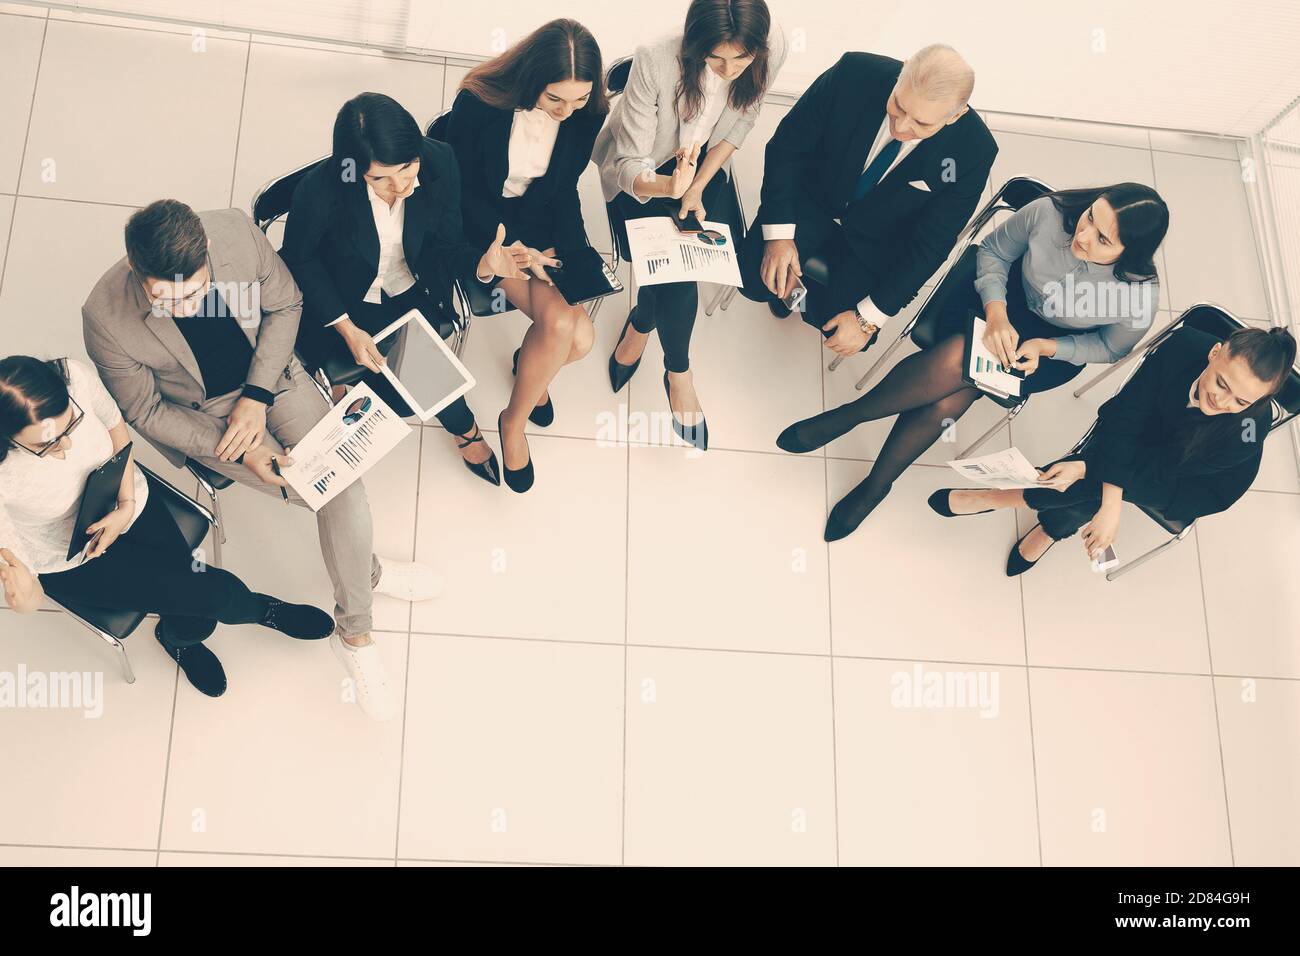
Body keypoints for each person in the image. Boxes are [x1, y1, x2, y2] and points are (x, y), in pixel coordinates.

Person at [81, 199, 439, 720]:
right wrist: (245, 445)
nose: (183, 306)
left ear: (207, 249)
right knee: (328, 486)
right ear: (137, 273)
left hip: (272, 375)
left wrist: (258, 394)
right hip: (208, 420)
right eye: (166, 298)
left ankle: (355, 629)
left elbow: (286, 306)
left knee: (339, 482)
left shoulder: (232, 232)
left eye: (196, 291)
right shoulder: (105, 316)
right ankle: (365, 583)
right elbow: (145, 409)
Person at [778, 183, 1170, 541]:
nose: (1082, 236)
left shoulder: (1137, 297)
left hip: (1049, 350)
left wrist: (1050, 347)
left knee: (955, 385)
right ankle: (874, 481)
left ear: (1128, 254)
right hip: (994, 297)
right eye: (1088, 218)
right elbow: (994, 251)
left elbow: (1109, 348)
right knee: (957, 376)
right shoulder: (1050, 212)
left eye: (1102, 239)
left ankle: (852, 420)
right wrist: (996, 312)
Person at [0, 355, 335, 698]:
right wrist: (22, 595)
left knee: (193, 602)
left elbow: (115, 426)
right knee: (210, 597)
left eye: (70, 425)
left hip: (125, 500)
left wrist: (126, 503)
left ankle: (178, 638)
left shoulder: (73, 376)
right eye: (46, 444)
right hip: (75, 556)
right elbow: (29, 594)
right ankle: (256, 612)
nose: (66, 446)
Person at [279, 92, 529, 488]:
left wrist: (483, 265)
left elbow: (446, 246)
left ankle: (462, 428)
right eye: (380, 177)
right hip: (342, 298)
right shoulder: (322, 189)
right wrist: (345, 326)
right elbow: (300, 259)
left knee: (424, 375)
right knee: (385, 377)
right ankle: (459, 428)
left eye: (408, 167)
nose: (399, 186)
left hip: (410, 287)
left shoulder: (440, 161)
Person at [928, 324, 1297, 574]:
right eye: (1221, 382)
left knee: (1086, 486)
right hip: (1141, 438)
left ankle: (998, 498)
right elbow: (1127, 414)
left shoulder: (1245, 431)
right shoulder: (1184, 345)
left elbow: (1164, 475)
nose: (1220, 399)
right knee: (1093, 489)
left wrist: (1094, 475)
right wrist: (1105, 490)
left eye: (1242, 400)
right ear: (1215, 352)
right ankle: (1047, 526)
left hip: (1185, 484)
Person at [592, 0, 788, 451]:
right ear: (695, 43)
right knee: (677, 270)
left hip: (700, 168)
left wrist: (697, 186)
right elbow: (629, 162)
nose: (729, 70)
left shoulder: (769, 47)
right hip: (645, 174)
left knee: (678, 261)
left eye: (741, 58)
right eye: (716, 57)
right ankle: (678, 374)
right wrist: (670, 187)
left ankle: (642, 324)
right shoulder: (655, 58)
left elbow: (741, 122)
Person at [738, 44, 997, 359]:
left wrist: (868, 318)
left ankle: (807, 302)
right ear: (900, 75)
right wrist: (779, 236)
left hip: (877, 239)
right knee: (752, 281)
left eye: (922, 124)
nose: (900, 127)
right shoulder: (853, 73)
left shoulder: (974, 151)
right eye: (898, 106)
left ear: (956, 116)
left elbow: (931, 244)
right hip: (813, 199)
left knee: (837, 328)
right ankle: (790, 295)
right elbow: (787, 149)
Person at [442, 18, 608, 492]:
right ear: (532, 78)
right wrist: (518, 248)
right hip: (486, 230)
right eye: (554, 98)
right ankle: (513, 423)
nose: (566, 111)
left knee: (579, 340)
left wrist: (567, 250)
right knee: (566, 332)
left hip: (540, 221)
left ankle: (530, 363)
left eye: (578, 100)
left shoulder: (584, 113)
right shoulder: (478, 101)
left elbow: (565, 188)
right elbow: (460, 193)